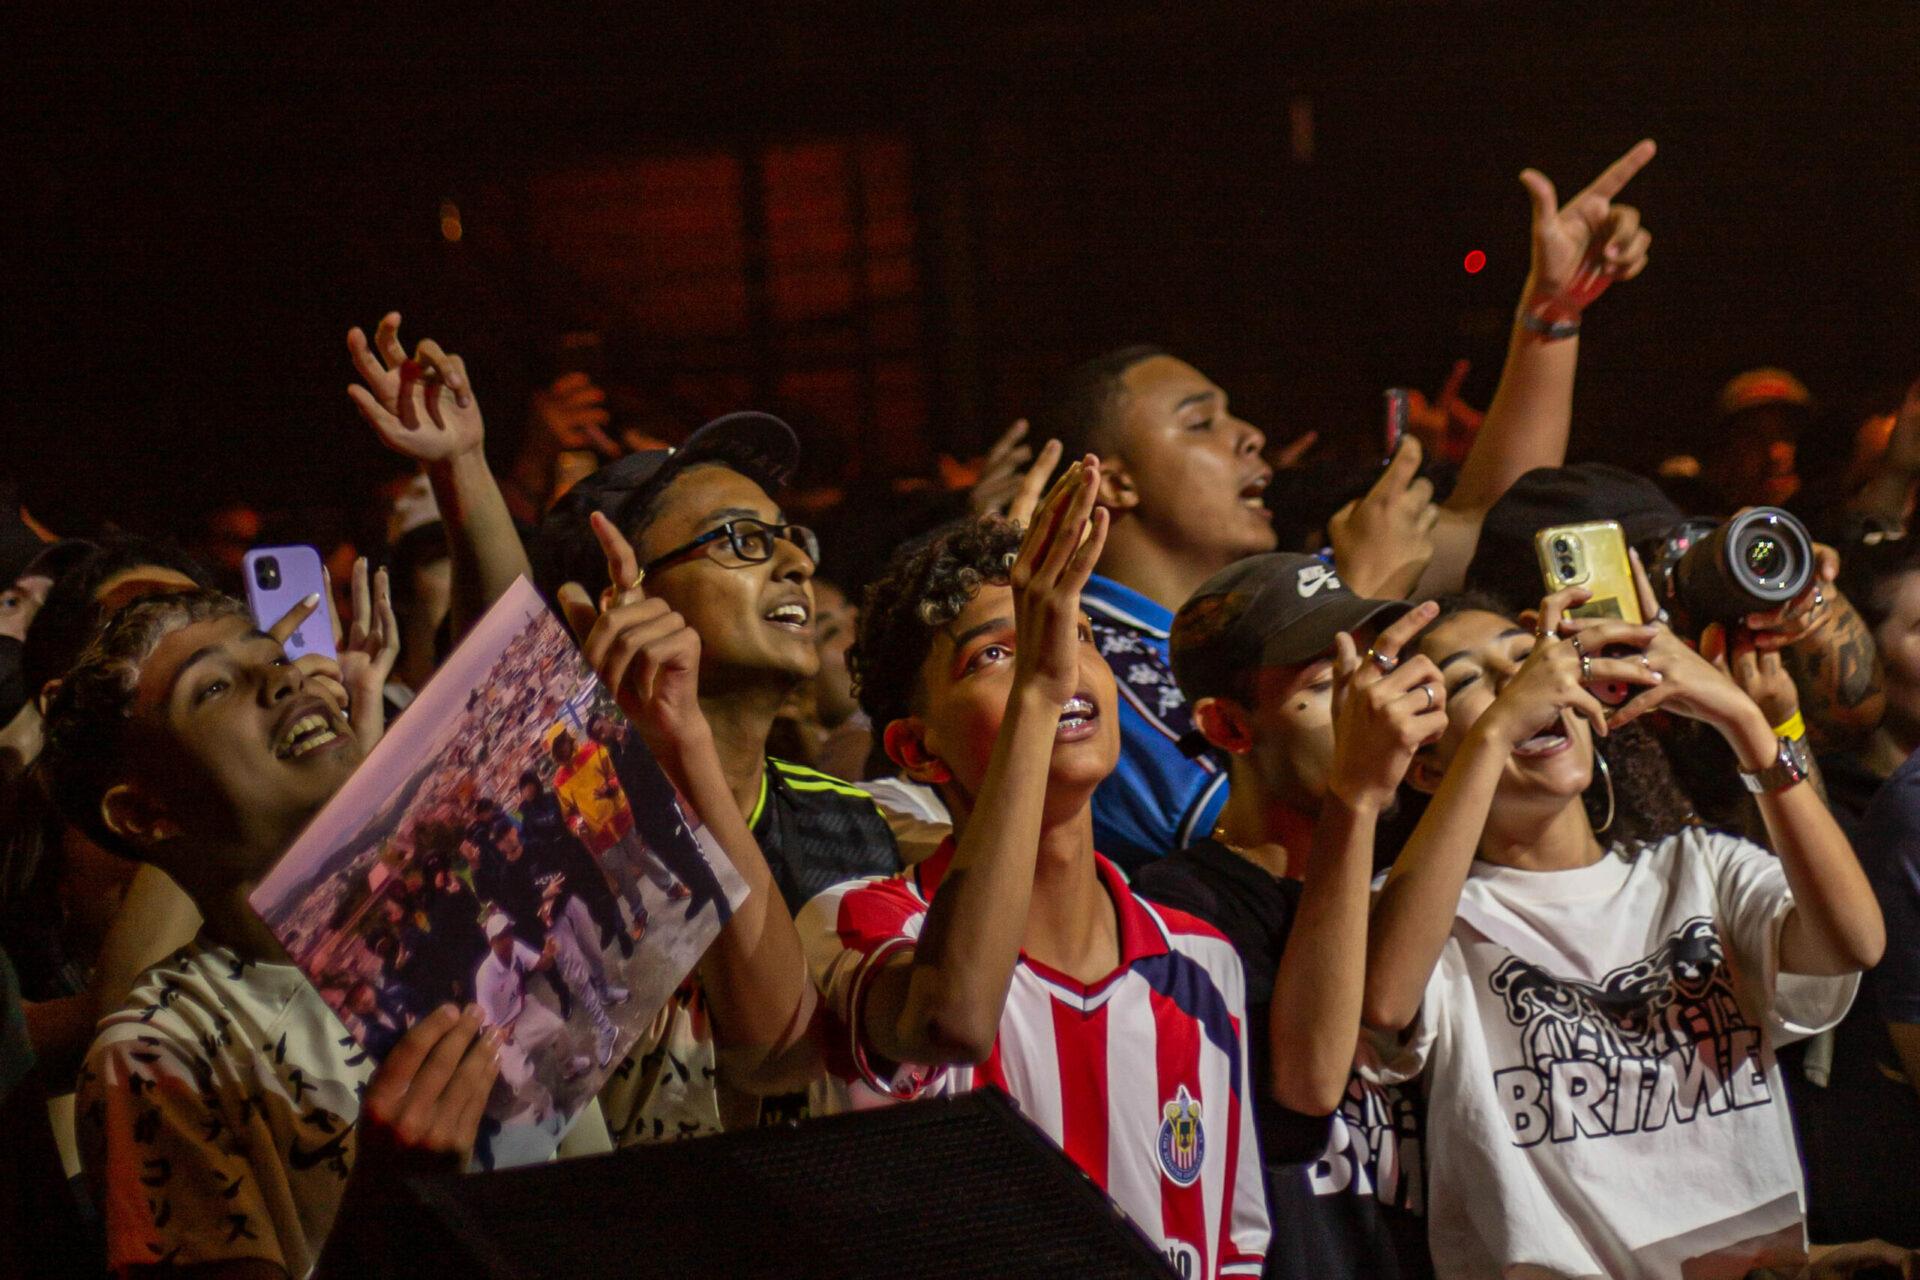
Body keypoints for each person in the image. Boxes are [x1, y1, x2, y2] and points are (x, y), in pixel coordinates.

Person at [1029, 141, 1659, 868]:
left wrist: (1552, 316)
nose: (1248, 435)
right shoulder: (1087, 658)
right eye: (1201, 423)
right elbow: (1268, 833)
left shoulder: (1285, 596)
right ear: (1114, 482)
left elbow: (1496, 514)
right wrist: (1361, 599)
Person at [803, 465, 1269, 1279]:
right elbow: (951, 1020)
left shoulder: (1203, 962)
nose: (1060, 664)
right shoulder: (867, 923)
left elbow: (1234, 1248)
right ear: (915, 748)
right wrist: (1039, 693)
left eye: (1075, 634)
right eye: (995, 654)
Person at [1361, 568, 1884, 1278]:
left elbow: (1855, 941)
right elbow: (1385, 1001)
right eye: (1470, 683)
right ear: (1426, 768)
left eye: (1527, 658)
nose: (1521, 684)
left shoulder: (1698, 869)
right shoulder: (1428, 914)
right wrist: (1499, 729)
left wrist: (1745, 723)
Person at [41, 589, 504, 1278]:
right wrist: (389, 1203)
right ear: (143, 814)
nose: (282, 678)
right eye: (214, 687)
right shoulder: (161, 1056)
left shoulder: (468, 899)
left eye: (277, 657)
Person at [1136, 554, 1442, 1279]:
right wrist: (1354, 798)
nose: (1369, 708)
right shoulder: (1182, 906)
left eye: (1373, 670)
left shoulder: (1414, 862)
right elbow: (1302, 1103)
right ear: (1229, 727)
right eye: (1329, 687)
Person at [473, 912, 593, 1108]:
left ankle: (569, 1067)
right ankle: (544, 1105)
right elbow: (485, 1026)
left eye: (509, 932)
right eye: (501, 937)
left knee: (558, 1028)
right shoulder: (485, 976)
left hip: (523, 1011)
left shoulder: (516, 948)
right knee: (521, 1080)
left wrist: (549, 954)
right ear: (491, 942)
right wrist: (500, 1033)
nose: (507, 939)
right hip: (499, 1031)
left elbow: (543, 964)